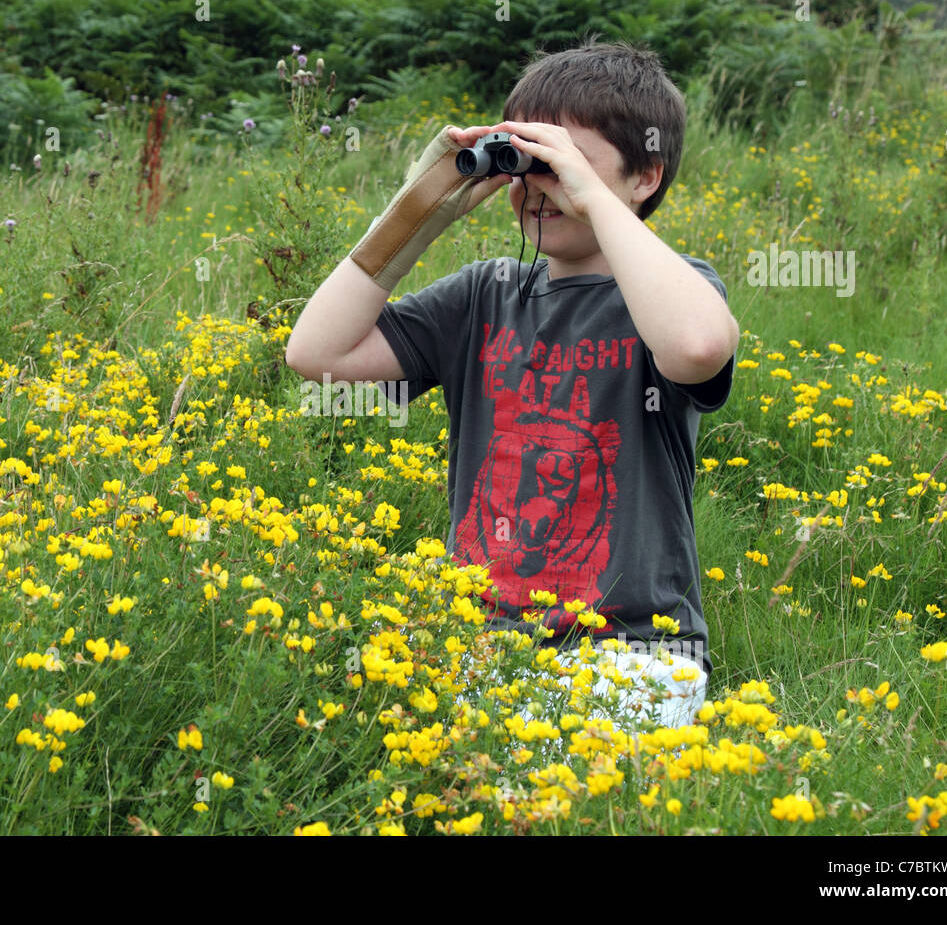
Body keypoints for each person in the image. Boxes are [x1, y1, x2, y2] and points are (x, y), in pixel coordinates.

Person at [285, 37, 738, 730]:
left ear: (644, 177)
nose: (538, 184)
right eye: (526, 161)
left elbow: (697, 346)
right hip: (478, 641)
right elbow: (315, 354)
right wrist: (414, 213)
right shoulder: (483, 296)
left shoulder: (675, 294)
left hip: (633, 650)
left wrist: (589, 195)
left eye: (566, 163)